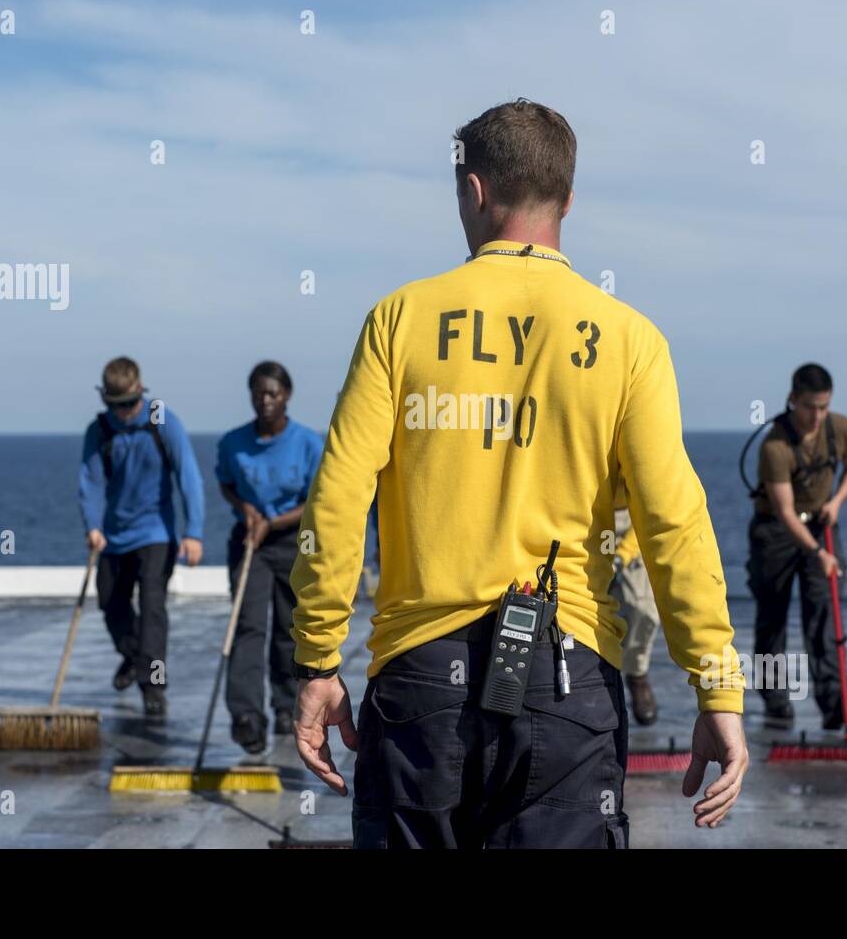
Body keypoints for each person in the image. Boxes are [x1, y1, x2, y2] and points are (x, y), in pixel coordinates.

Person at [289, 98, 746, 849]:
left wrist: (317, 661)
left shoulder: (399, 319)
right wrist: (717, 689)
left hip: (419, 677)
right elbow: (676, 525)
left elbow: (338, 498)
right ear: (568, 198)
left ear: (473, 190)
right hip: (571, 682)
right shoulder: (632, 340)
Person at [79, 357, 204, 718]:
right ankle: (133, 656)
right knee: (109, 602)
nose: (123, 413)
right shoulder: (99, 430)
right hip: (114, 535)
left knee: (152, 608)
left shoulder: (162, 422)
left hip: (156, 533)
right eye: (114, 406)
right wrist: (92, 526)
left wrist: (193, 532)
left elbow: (189, 478)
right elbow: (90, 482)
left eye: (128, 405)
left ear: (141, 393)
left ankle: (153, 686)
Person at [215, 361, 324, 753]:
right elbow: (226, 482)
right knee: (247, 626)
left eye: (273, 393)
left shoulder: (309, 443)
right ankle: (246, 717)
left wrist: (274, 521)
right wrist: (246, 508)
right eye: (259, 393)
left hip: (293, 540)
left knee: (287, 628)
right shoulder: (232, 443)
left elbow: (317, 497)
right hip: (250, 541)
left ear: (287, 396)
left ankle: (283, 706)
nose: (265, 401)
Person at [746, 363, 847, 730]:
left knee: (824, 612)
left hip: (823, 523)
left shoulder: (840, 428)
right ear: (793, 400)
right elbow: (783, 511)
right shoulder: (775, 446)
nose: (817, 415)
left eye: (824, 407)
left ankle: (834, 699)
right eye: (810, 406)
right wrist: (817, 553)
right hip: (777, 532)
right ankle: (776, 699)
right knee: (772, 618)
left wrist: (837, 500)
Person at [611, 502, 661, 725]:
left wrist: (622, 554)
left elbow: (652, 505)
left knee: (643, 608)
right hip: (584, 519)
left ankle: (637, 674)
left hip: (633, 520)